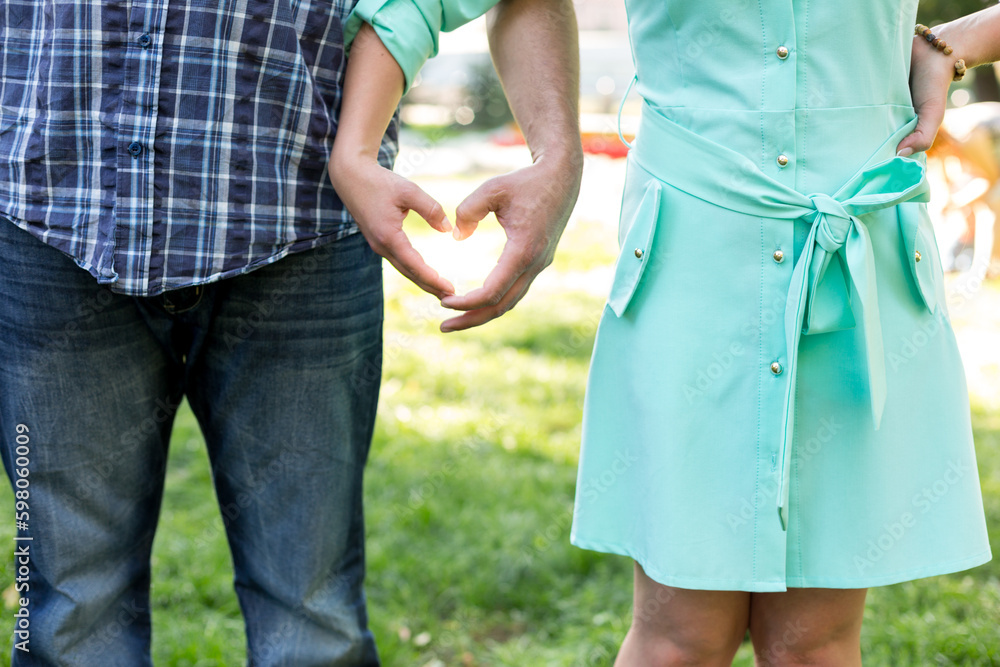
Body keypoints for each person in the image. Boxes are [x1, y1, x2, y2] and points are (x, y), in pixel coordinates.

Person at [0, 0, 580, 665]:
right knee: (69, 612)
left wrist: (558, 157)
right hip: (47, 206)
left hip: (302, 217)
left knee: (311, 621)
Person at [569, 1, 999, 665]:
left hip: (856, 281)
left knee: (815, 643)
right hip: (693, 263)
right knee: (679, 638)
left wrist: (955, 41)